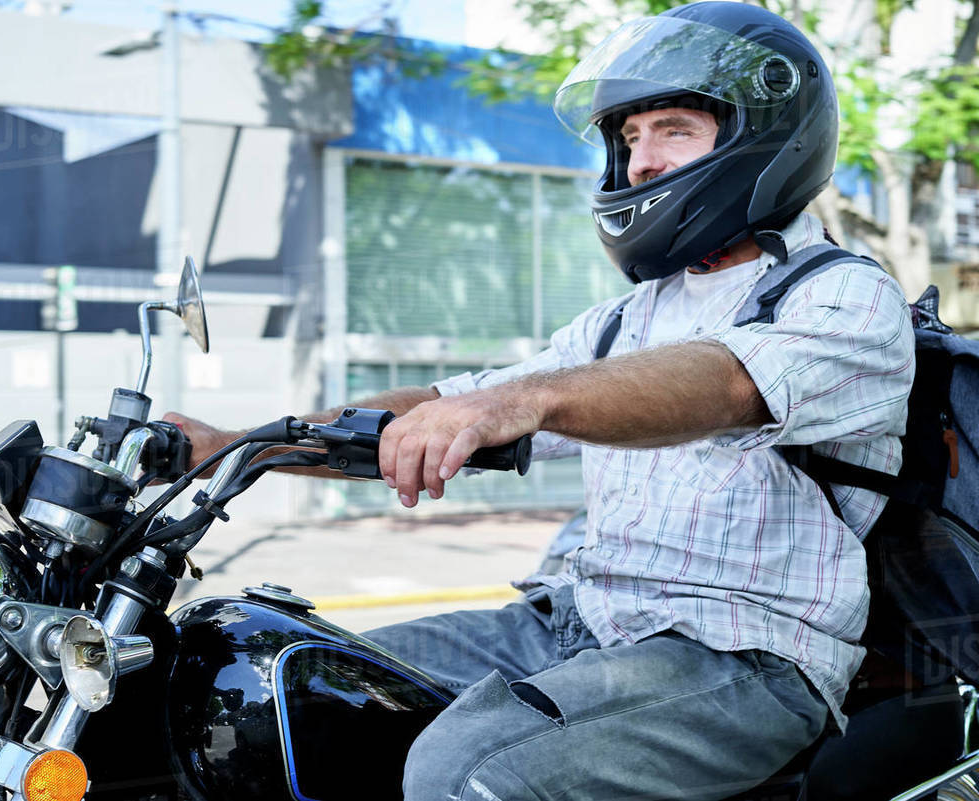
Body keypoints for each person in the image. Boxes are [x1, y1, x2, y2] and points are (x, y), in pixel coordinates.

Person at [166, 3, 915, 798]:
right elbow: (453, 399)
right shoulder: (631, 317)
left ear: (766, 140)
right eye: (630, 138)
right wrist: (230, 442)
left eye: (674, 130)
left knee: (466, 769)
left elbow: (727, 382)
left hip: (742, 656)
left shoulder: (842, 295)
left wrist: (526, 403)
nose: (643, 162)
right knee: (298, 688)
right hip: (575, 619)